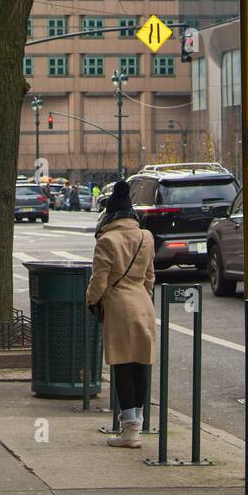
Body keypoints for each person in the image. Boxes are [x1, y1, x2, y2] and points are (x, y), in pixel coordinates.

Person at [85, 179, 156, 448]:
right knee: (141, 364)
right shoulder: (146, 237)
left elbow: (99, 280)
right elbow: (150, 277)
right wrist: (142, 294)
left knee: (122, 366)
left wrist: (91, 301)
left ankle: (129, 432)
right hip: (143, 303)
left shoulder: (107, 240)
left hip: (119, 306)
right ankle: (137, 423)